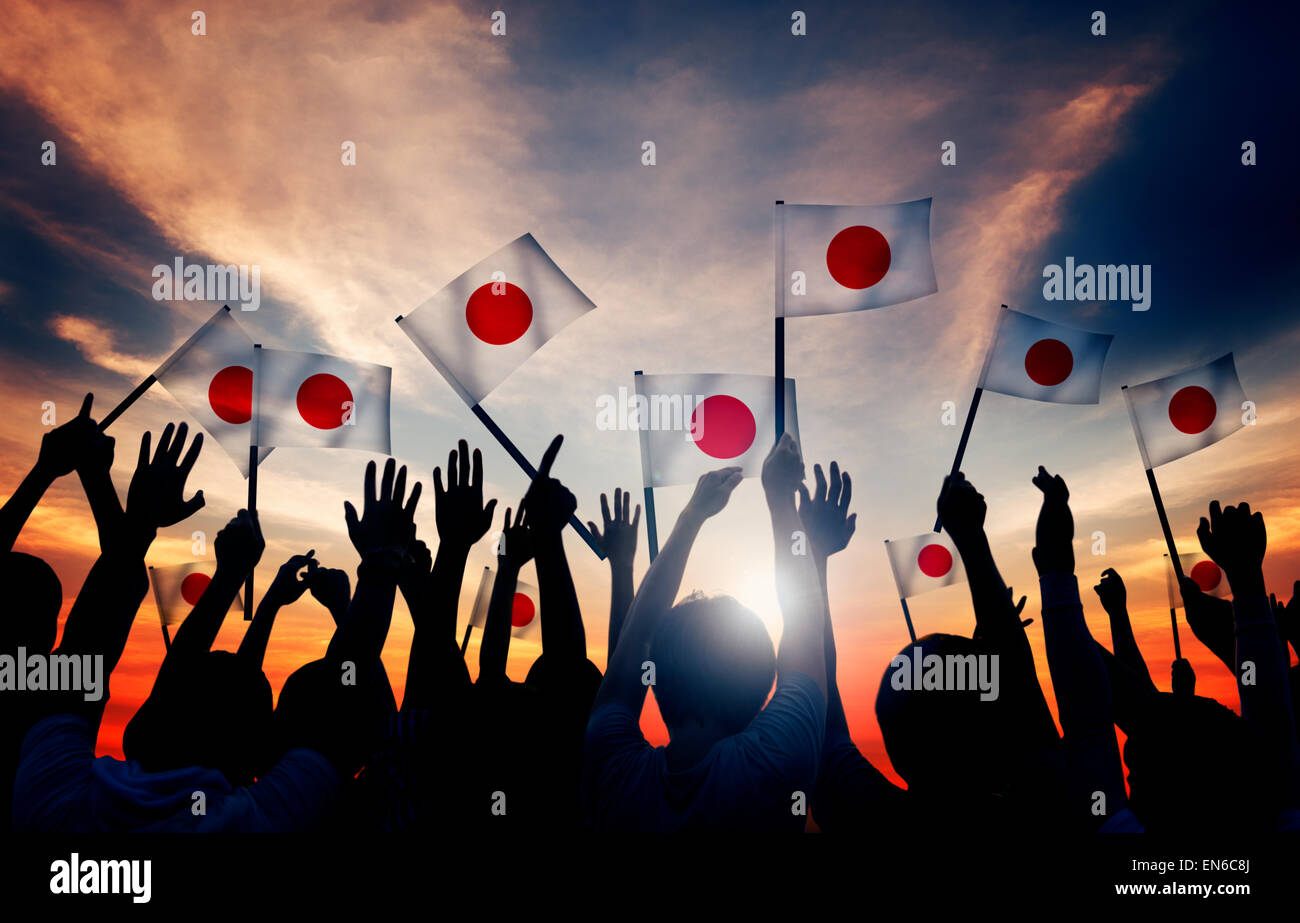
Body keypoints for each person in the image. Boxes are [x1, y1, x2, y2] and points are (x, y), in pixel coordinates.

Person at [582, 433, 827, 832]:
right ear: (765, 682)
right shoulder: (778, 762)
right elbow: (805, 625)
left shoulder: (612, 768)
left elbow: (635, 639)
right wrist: (782, 500)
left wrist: (692, 516)